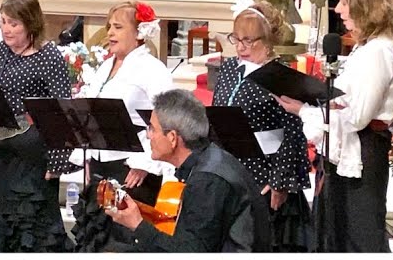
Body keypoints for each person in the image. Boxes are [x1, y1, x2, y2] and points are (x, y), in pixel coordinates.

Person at [277, 0, 393, 252]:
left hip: (362, 151)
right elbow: (349, 102)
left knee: (357, 235)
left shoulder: (378, 51)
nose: (338, 9)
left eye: (345, 2)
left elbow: (357, 117)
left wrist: (304, 110)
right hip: (353, 148)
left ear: (364, 6)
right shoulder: (369, 47)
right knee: (336, 229)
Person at [105, 89, 271, 252]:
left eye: (152, 129)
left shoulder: (206, 181)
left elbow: (191, 252)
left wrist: (137, 225)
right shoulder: (211, 157)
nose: (148, 136)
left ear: (172, 138)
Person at [0, 0, 71, 252]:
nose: (6, 29)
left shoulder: (49, 57)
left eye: (14, 24)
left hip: (31, 158)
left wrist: (58, 160)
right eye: (3, 22)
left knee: (30, 226)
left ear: (31, 24)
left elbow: (61, 110)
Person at [69, 1, 174, 251]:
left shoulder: (152, 69)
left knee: (122, 243)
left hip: (130, 171)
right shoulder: (106, 66)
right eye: (109, 27)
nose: (110, 33)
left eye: (118, 27)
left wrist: (146, 163)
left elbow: (169, 117)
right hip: (100, 166)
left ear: (139, 33)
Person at [212, 1, 312, 252]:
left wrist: (279, 183)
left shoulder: (280, 75)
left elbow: (292, 133)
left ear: (267, 41)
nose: (241, 47)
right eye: (236, 39)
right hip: (229, 169)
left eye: (249, 41)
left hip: (264, 172)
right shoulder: (228, 69)